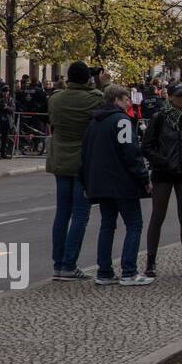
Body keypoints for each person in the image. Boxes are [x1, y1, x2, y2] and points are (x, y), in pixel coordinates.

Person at [81, 84, 154, 286]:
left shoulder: (95, 121)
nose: (129, 103)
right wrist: (144, 178)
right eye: (126, 99)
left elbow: (85, 153)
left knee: (107, 225)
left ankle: (104, 271)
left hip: (100, 182)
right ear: (116, 100)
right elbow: (131, 152)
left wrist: (87, 181)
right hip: (122, 182)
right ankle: (129, 271)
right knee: (134, 224)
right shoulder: (121, 121)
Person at [46, 62, 102, 281]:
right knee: (81, 213)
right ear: (87, 79)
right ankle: (70, 264)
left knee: (62, 212)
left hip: (60, 159)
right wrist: (99, 83)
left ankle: (58, 264)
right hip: (82, 162)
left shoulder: (55, 99)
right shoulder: (94, 98)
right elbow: (105, 106)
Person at [141, 83, 182, 278]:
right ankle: (151, 262)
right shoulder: (159, 118)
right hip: (163, 173)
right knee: (157, 216)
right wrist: (161, 160)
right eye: (180, 95)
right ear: (171, 97)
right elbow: (147, 146)